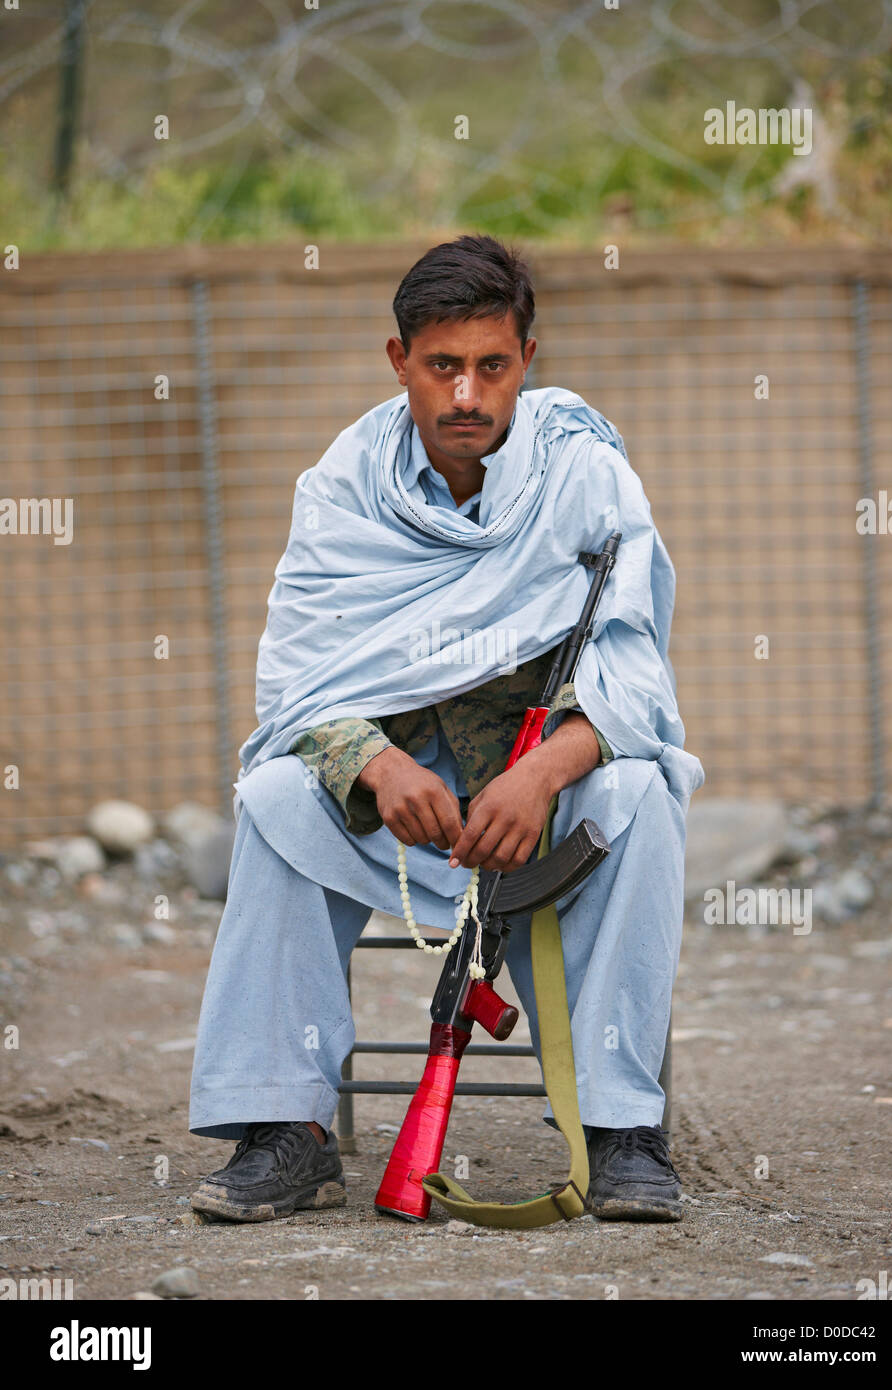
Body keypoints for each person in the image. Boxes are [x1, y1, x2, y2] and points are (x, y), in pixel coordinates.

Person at [188, 233, 705, 1224]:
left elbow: (634, 671)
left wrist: (544, 771)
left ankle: (618, 1128)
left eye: (490, 366)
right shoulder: (341, 489)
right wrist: (375, 763)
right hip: (402, 812)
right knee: (274, 794)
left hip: (538, 804)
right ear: (399, 362)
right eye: (441, 367)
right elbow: (298, 682)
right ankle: (284, 1132)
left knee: (641, 786)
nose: (465, 394)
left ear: (526, 360)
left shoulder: (582, 478)